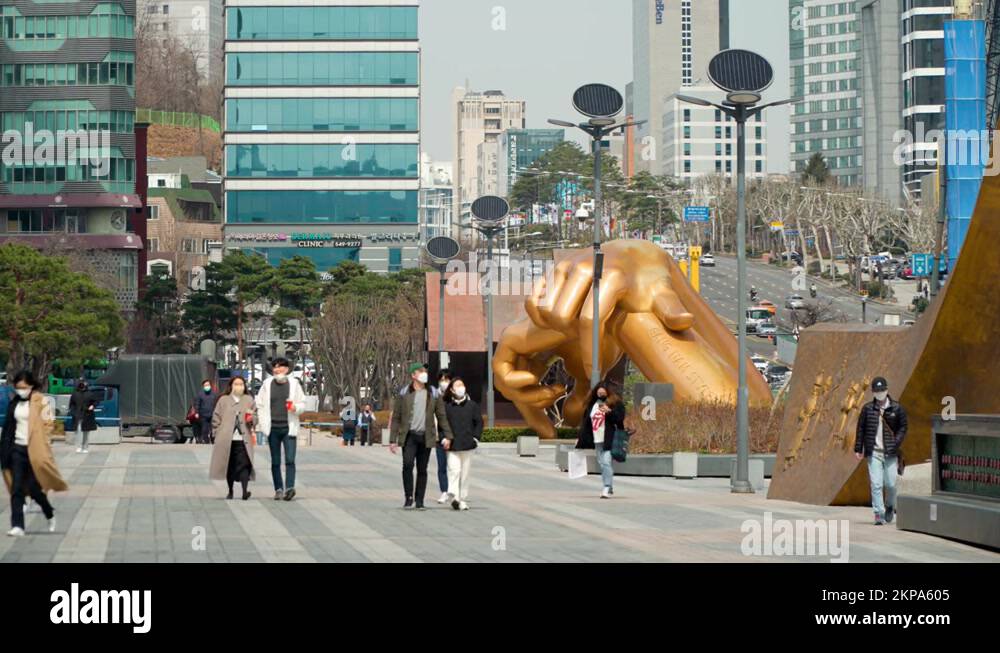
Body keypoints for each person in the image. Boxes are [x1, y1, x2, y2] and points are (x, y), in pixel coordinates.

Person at [1, 371, 67, 536]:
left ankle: (48, 511)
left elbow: (49, 422)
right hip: (17, 449)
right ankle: (18, 526)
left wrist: (43, 439)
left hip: (34, 450)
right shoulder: (14, 402)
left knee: (34, 488)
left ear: (31, 386)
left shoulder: (42, 401)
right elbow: (9, 426)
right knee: (16, 488)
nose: (20, 390)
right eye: (18, 387)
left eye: (24, 387)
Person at [389, 363, 453, 510]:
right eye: (420, 372)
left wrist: (448, 436)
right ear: (413, 375)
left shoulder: (433, 393)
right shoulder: (404, 393)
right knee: (407, 465)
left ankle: (419, 500)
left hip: (426, 436)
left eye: (425, 371)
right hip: (409, 436)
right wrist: (393, 440)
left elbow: (441, 416)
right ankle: (408, 497)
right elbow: (397, 417)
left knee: (422, 469)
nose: (424, 374)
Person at [855, 377, 908, 525]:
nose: (880, 393)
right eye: (877, 391)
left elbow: (903, 427)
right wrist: (858, 448)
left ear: (887, 389)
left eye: (882, 390)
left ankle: (890, 505)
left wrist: (895, 442)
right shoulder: (867, 409)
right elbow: (861, 429)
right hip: (874, 452)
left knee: (890, 484)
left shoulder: (897, 408)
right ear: (873, 392)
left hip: (890, 453)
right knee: (876, 484)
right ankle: (878, 512)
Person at [256, 358, 307, 501]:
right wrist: (262, 422)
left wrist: (295, 408)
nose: (277, 370)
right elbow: (259, 404)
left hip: (288, 428)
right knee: (275, 461)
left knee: (290, 459)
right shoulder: (266, 385)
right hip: (273, 429)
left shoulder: (294, 384)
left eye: (280, 367)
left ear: (287, 369)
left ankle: (289, 488)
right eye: (275, 368)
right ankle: (278, 489)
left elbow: (302, 403)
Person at [575, 383, 626, 499]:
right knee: (602, 464)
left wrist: (609, 411)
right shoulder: (592, 405)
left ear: (608, 393)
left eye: (603, 393)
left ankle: (606, 487)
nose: (601, 395)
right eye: (599, 393)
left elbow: (619, 419)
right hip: (597, 438)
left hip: (609, 438)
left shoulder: (615, 404)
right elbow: (586, 423)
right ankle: (610, 486)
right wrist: (579, 438)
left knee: (606, 462)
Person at [209, 377, 257, 500]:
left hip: (243, 439)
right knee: (229, 465)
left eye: (241, 384)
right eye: (236, 384)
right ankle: (230, 491)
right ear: (231, 385)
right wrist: (217, 432)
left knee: (245, 464)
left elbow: (255, 416)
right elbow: (216, 417)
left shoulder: (249, 399)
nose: (239, 386)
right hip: (226, 439)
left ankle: (245, 491)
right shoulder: (223, 400)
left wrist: (252, 419)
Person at [441, 377, 482, 511]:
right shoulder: (447, 407)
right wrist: (444, 439)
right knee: (454, 470)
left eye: (462, 385)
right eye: (457, 386)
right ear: (452, 390)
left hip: (468, 445)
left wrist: (476, 438)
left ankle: (461, 499)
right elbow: (442, 425)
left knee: (465, 474)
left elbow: (479, 423)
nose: (461, 387)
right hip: (452, 445)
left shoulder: (472, 406)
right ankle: (453, 495)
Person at [434, 370, 452, 503]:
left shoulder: (456, 397)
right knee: (442, 466)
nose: (444, 382)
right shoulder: (435, 397)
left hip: (454, 437)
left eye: (446, 379)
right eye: (442, 380)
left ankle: (454, 490)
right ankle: (444, 491)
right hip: (438, 437)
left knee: (454, 466)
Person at [68, 380, 97, 454]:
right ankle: (78, 446)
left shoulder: (90, 394)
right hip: (77, 415)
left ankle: (85, 447)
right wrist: (73, 412)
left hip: (87, 414)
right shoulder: (75, 394)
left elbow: (95, 402)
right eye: (81, 385)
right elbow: (71, 404)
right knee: (78, 431)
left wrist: (92, 406)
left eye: (83, 385)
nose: (82, 386)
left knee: (86, 432)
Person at [192, 380, 218, 444]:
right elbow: (197, 404)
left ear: (210, 386)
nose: (207, 386)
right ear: (203, 386)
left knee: (213, 429)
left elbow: (217, 404)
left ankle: (213, 440)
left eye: (208, 385)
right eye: (206, 385)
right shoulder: (200, 394)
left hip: (212, 414)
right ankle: (206, 441)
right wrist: (197, 413)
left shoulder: (214, 394)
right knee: (205, 429)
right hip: (203, 415)